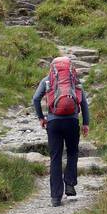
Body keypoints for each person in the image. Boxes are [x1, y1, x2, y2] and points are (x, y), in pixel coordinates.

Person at [32, 56, 90, 206]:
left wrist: (41, 117)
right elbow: (83, 103)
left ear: (52, 68)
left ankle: (55, 197)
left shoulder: (47, 80)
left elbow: (35, 99)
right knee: (72, 152)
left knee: (55, 157)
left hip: (53, 122)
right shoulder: (74, 80)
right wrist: (86, 123)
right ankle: (70, 184)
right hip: (72, 121)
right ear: (70, 67)